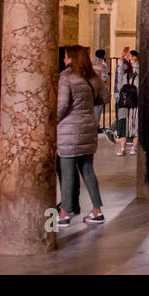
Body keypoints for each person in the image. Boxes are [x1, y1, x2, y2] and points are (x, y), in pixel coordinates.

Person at [56, 46, 106, 227]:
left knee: (67, 172)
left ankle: (64, 214)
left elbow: (61, 106)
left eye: (67, 57)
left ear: (72, 59)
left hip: (69, 131)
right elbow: (105, 97)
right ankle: (97, 211)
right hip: (88, 128)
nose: (64, 60)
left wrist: (51, 121)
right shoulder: (93, 77)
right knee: (88, 171)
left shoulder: (66, 77)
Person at [114, 49, 140, 156]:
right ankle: (122, 148)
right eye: (128, 57)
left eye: (131, 56)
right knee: (123, 123)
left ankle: (134, 146)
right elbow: (119, 75)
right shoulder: (125, 70)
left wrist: (135, 65)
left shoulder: (139, 69)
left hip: (134, 101)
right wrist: (121, 60)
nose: (129, 58)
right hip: (124, 100)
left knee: (134, 124)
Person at [91, 49, 110, 133]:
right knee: (98, 109)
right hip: (98, 89)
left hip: (90, 88)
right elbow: (103, 78)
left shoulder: (91, 63)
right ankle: (96, 126)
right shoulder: (103, 65)